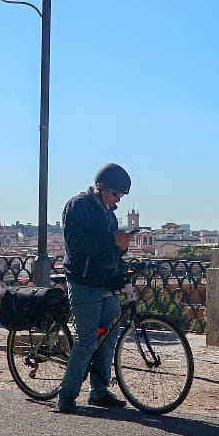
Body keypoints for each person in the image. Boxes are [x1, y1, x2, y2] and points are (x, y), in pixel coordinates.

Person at [55, 163, 135, 414]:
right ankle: (66, 395)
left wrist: (122, 252)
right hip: (84, 280)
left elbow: (109, 249)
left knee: (109, 336)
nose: (118, 200)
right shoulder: (77, 206)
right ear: (100, 188)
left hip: (105, 281)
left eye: (121, 196)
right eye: (115, 194)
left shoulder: (108, 213)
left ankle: (98, 391)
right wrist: (112, 240)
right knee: (87, 340)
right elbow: (76, 243)